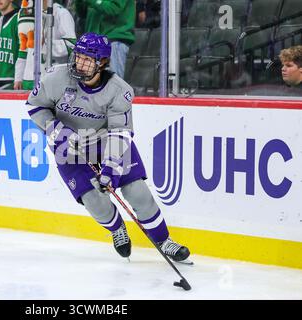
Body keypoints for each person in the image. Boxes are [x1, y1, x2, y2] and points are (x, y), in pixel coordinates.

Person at [26, 33, 190, 261]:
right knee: (94, 201)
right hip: (69, 148)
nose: (79, 63)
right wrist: (57, 131)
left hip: (105, 141)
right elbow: (35, 106)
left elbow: (119, 133)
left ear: (102, 63)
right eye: (78, 56)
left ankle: (164, 240)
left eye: (87, 59)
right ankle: (117, 229)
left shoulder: (119, 90)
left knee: (137, 193)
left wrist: (111, 169)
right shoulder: (56, 77)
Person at [74, 0, 135, 79]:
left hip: (114, 38)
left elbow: (114, 9)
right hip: (92, 41)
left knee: (114, 79)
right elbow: (82, 13)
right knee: (90, 79)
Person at [41, 0, 76, 67]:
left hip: (59, 70)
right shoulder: (37, 15)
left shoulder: (62, 13)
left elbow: (71, 45)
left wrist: (44, 45)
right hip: (41, 70)